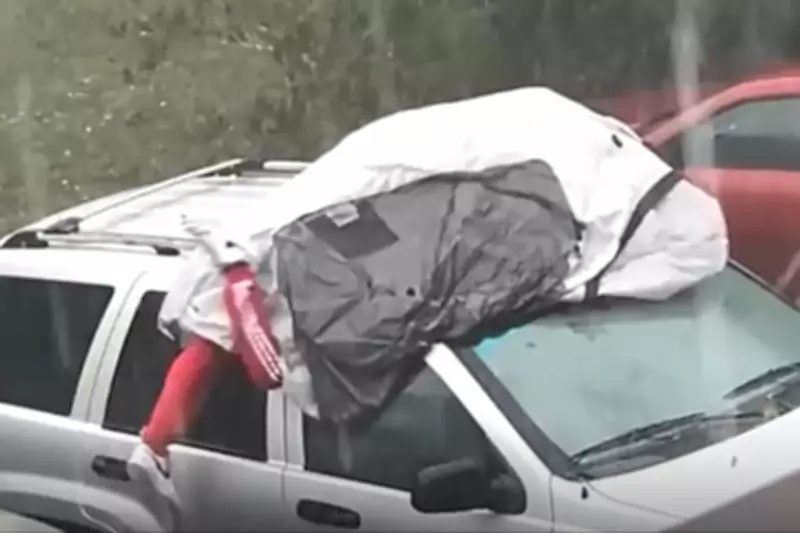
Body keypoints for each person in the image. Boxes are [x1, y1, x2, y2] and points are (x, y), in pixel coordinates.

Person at [127, 218, 284, 512]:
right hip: (228, 276)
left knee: (208, 347)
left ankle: (155, 444)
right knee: (211, 341)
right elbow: (260, 357)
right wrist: (274, 372)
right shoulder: (242, 279)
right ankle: (154, 445)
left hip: (209, 285)